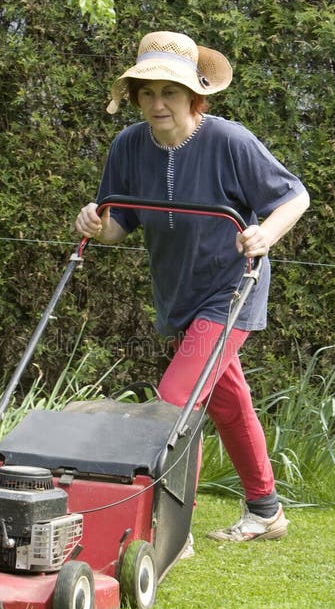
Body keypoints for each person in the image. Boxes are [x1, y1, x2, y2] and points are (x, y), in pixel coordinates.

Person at [75, 31, 309, 547]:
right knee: (228, 400)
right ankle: (265, 511)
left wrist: (266, 233)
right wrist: (96, 225)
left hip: (232, 288)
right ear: (135, 97)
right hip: (179, 292)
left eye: (170, 92)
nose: (158, 104)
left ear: (193, 96)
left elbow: (295, 196)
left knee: (177, 399)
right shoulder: (129, 147)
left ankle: (166, 525)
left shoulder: (230, 141)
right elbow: (120, 224)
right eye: (148, 93)